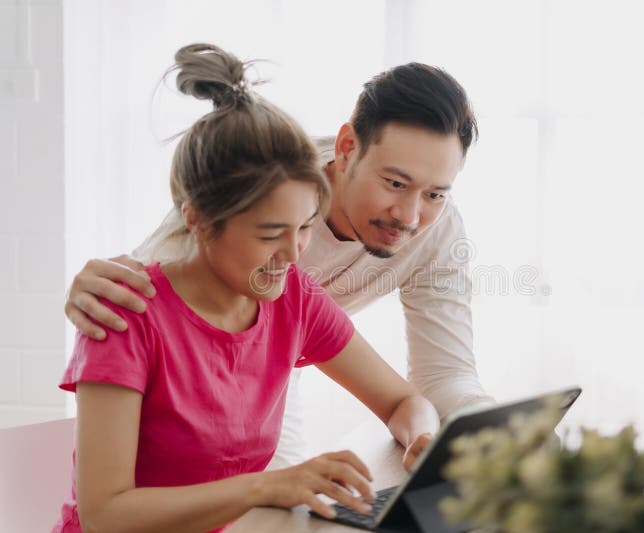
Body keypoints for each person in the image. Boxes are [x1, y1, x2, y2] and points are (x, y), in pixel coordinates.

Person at [54, 43, 439, 533]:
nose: (294, 254)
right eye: (269, 234)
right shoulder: (124, 314)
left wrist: (423, 439)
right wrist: (265, 486)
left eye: (305, 227)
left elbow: (403, 402)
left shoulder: (293, 298)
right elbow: (104, 515)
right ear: (197, 219)